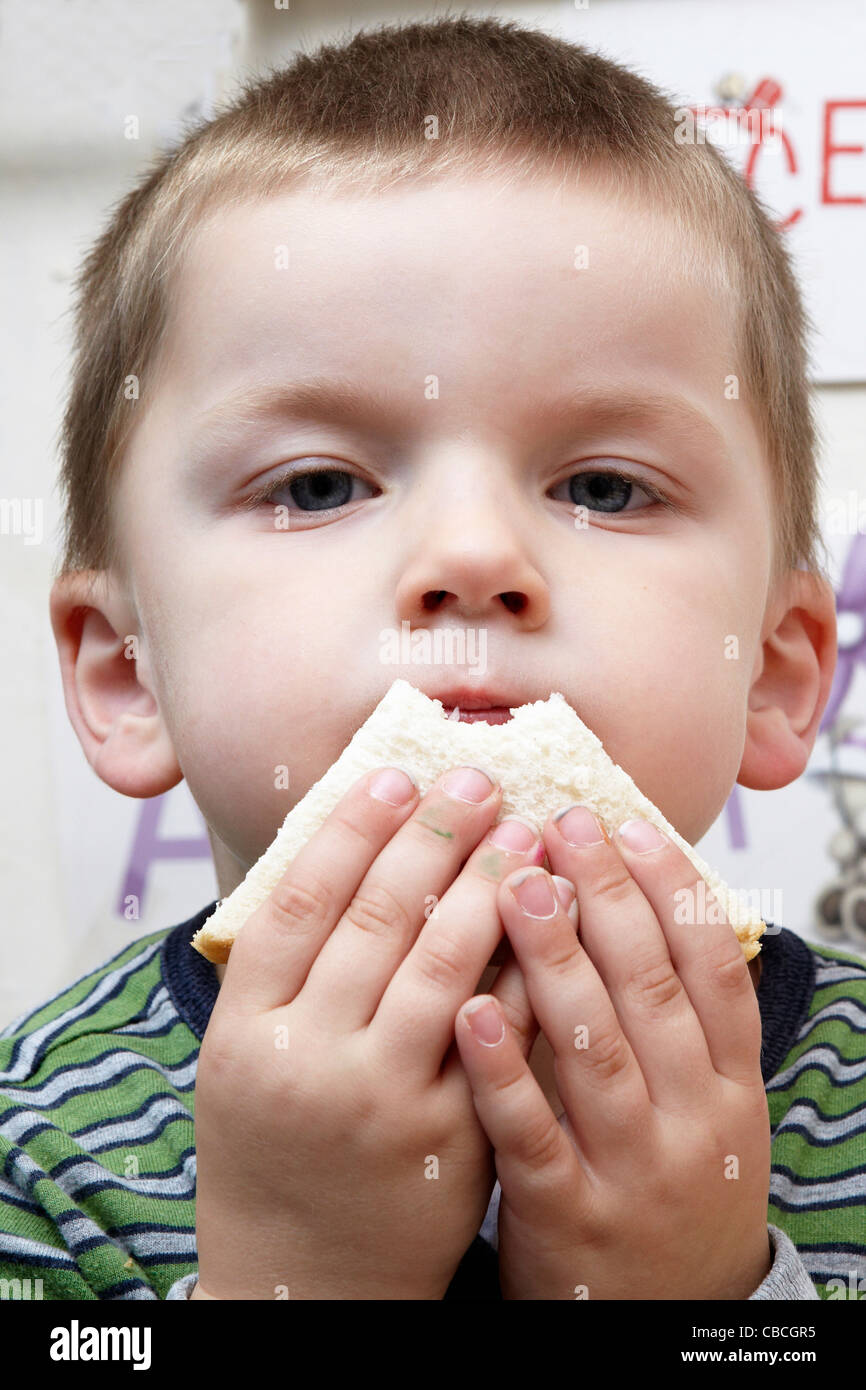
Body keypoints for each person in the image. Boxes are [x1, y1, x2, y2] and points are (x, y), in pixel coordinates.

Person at [0, 15, 857, 1300]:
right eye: (320, 482)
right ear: (128, 672)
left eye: (606, 488)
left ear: (778, 675)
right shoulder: (41, 1141)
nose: (470, 556)